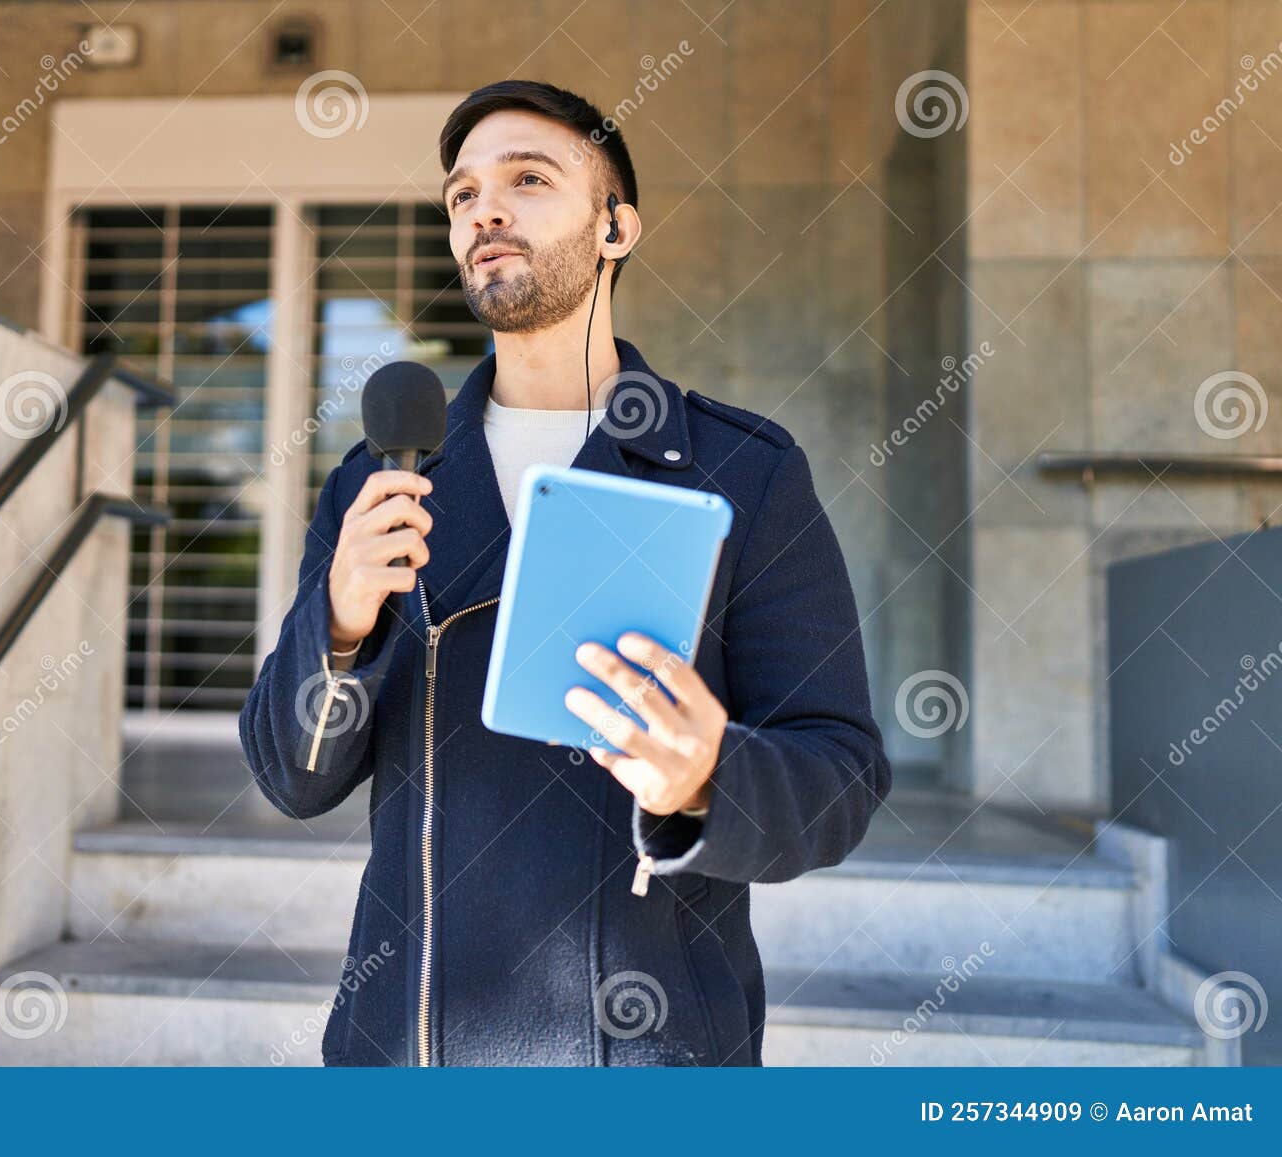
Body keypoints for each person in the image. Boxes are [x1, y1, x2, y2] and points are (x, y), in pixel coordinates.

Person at [239, 80, 890, 1066]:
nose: (483, 210)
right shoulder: (381, 480)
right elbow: (291, 776)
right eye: (461, 195)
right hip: (406, 1048)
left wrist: (708, 773)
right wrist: (334, 626)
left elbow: (838, 776)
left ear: (616, 226)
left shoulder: (744, 472)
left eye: (527, 179)